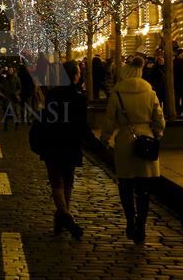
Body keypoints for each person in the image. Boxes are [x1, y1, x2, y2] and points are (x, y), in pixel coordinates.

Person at [100, 56, 166, 245]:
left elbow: (109, 120)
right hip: (146, 139)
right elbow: (158, 117)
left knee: (126, 185)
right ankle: (141, 225)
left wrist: (104, 139)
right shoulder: (149, 91)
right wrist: (158, 133)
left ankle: (130, 221)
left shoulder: (117, 93)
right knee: (144, 189)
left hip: (125, 141)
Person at [34, 61, 92, 239]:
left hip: (53, 143)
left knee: (56, 183)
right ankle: (65, 216)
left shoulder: (52, 94)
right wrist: (96, 144)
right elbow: (83, 126)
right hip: (71, 144)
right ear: (75, 75)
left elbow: (47, 118)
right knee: (68, 183)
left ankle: (63, 217)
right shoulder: (80, 98)